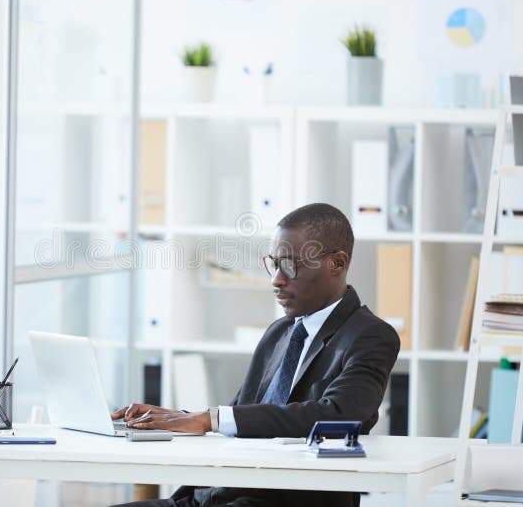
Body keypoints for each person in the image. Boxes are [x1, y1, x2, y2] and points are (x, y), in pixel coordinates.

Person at [111, 203, 400, 507]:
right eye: (273, 265)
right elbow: (238, 418)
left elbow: (338, 415)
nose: (276, 279)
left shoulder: (370, 335)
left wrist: (210, 419)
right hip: (215, 494)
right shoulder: (279, 333)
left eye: (289, 266)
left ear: (337, 264)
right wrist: (175, 420)